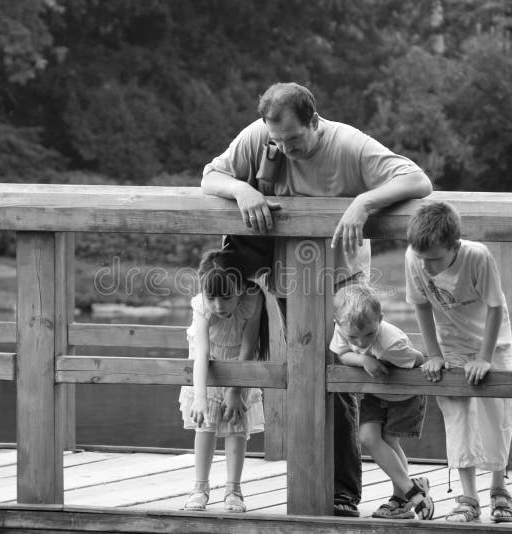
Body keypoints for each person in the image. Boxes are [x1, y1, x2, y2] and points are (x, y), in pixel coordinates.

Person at [201, 81, 432, 517]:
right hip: (291, 280)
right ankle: (326, 485)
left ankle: (342, 494)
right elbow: (210, 176)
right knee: (308, 375)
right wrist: (242, 190)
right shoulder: (259, 137)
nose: (284, 148)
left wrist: (363, 202)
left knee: (338, 383)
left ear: (314, 121)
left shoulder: (347, 144)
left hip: (342, 280)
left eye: (293, 138)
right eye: (277, 140)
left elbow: (417, 179)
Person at [404, 201, 512, 523]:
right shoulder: (416, 257)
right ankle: (468, 497)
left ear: (454, 246)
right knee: (458, 413)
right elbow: (421, 306)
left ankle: (499, 489)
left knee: (498, 415)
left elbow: (495, 308)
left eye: (434, 260)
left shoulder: (477, 257)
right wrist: (435, 355)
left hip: (492, 342)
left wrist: (484, 358)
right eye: (422, 259)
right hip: (451, 343)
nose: (426, 267)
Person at [329, 283, 434, 520]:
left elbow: (417, 360)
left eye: (369, 334)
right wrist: (363, 360)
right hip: (375, 394)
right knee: (367, 437)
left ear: (380, 319)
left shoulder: (392, 343)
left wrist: (389, 362)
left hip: (403, 397)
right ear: (338, 325)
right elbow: (343, 354)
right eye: (353, 336)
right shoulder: (342, 329)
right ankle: (411, 490)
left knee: (389, 441)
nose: (361, 342)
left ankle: (400, 499)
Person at [178, 249, 266, 513]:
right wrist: (201, 396)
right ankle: (200, 488)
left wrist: (235, 391)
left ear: (240, 288)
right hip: (208, 368)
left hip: (240, 366)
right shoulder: (202, 306)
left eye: (226, 297)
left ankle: (233, 489)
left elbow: (248, 348)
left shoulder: (253, 299)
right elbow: (202, 353)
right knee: (205, 426)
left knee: (236, 424)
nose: (218, 304)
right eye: (212, 297)